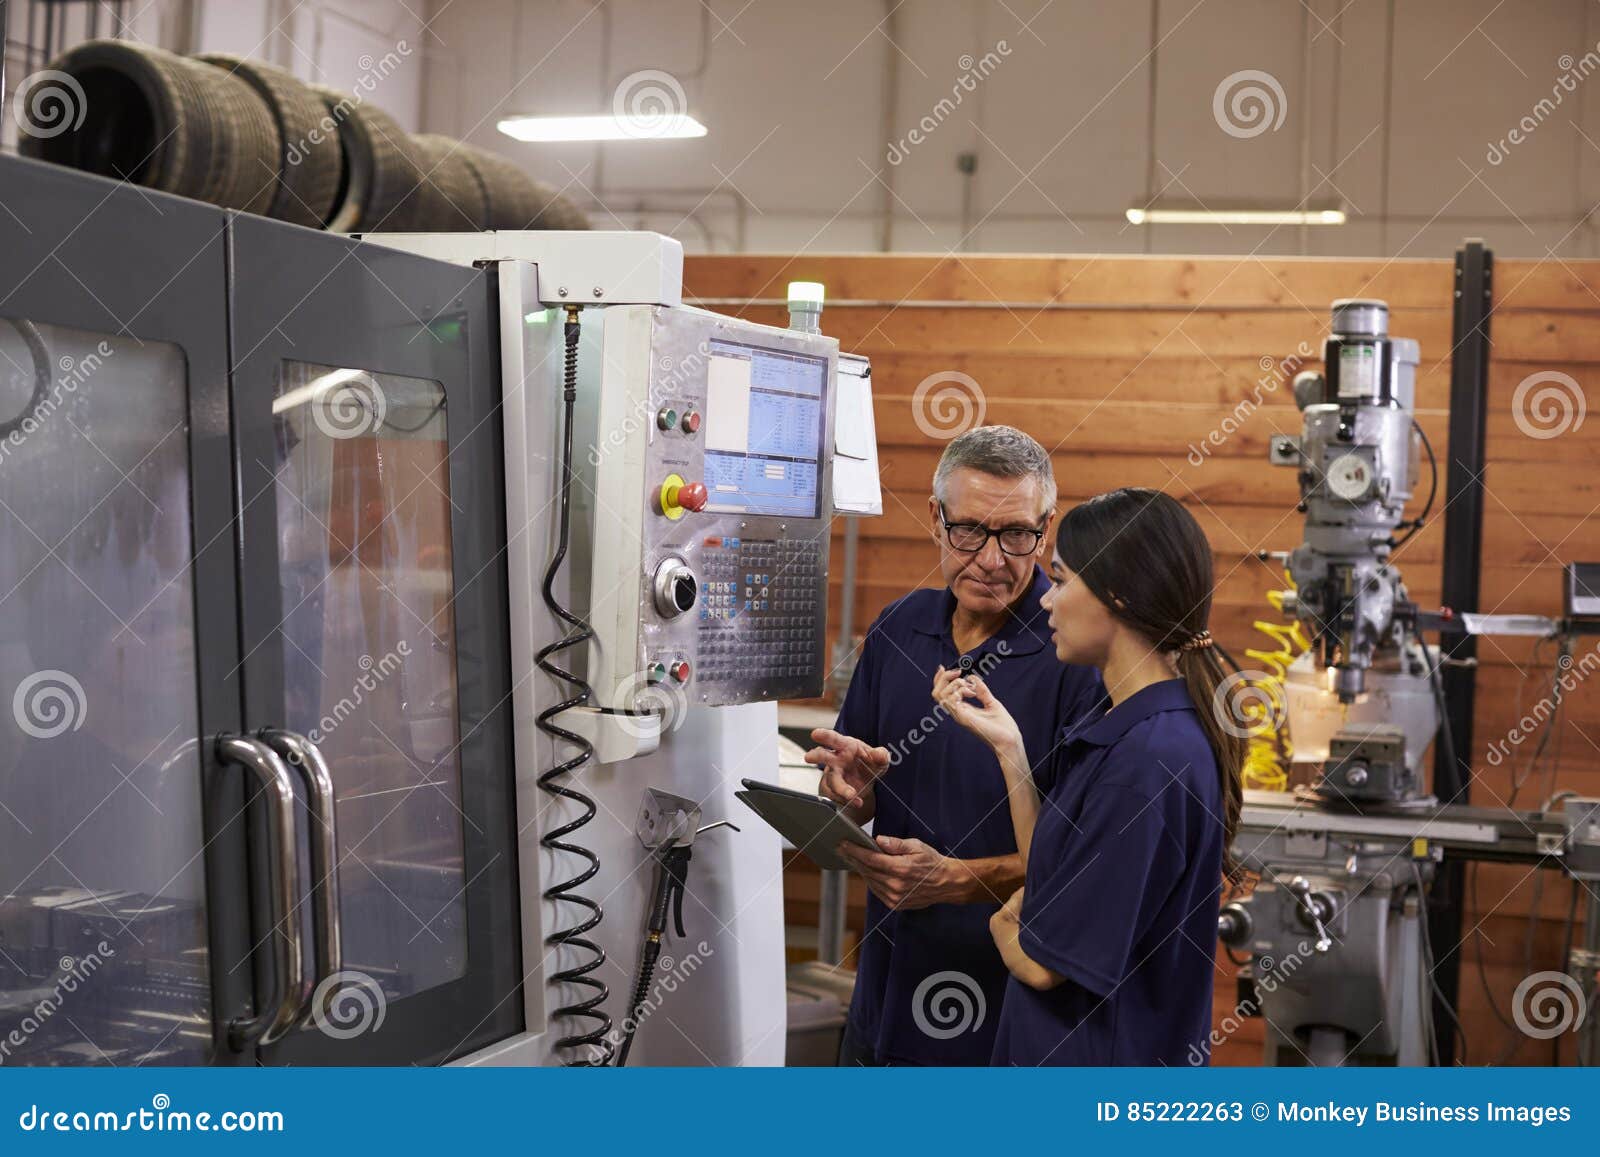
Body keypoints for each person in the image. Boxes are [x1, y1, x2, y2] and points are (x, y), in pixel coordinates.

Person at [805, 425, 1105, 1065]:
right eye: (970, 530)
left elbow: (1091, 860)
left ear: (1046, 531)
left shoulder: (1077, 656)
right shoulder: (899, 628)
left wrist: (958, 881)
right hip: (885, 990)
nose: (992, 560)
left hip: (1009, 1008)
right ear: (937, 520)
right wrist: (849, 794)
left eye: (1016, 535)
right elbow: (853, 807)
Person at [936, 487, 1244, 1065]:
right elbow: (1052, 875)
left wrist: (1005, 929)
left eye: (1063, 577)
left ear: (1119, 596)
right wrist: (1011, 750)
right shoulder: (1115, 720)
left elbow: (1045, 964)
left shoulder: (1149, 760)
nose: (1048, 601)